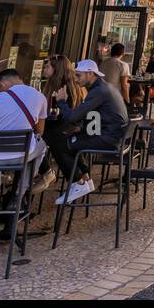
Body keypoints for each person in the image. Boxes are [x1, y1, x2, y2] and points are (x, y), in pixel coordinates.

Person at [45, 59, 129, 204]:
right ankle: (84, 178)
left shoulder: (99, 91)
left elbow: (72, 117)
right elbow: (100, 116)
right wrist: (82, 128)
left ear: (90, 74)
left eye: (78, 75)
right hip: (112, 135)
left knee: (59, 142)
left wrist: (62, 102)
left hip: (108, 139)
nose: (76, 79)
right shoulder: (105, 87)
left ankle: (78, 182)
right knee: (67, 138)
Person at [0, 67, 49, 208]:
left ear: (2, 84)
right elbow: (39, 131)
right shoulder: (40, 97)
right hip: (22, 156)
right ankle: (18, 196)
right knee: (41, 145)